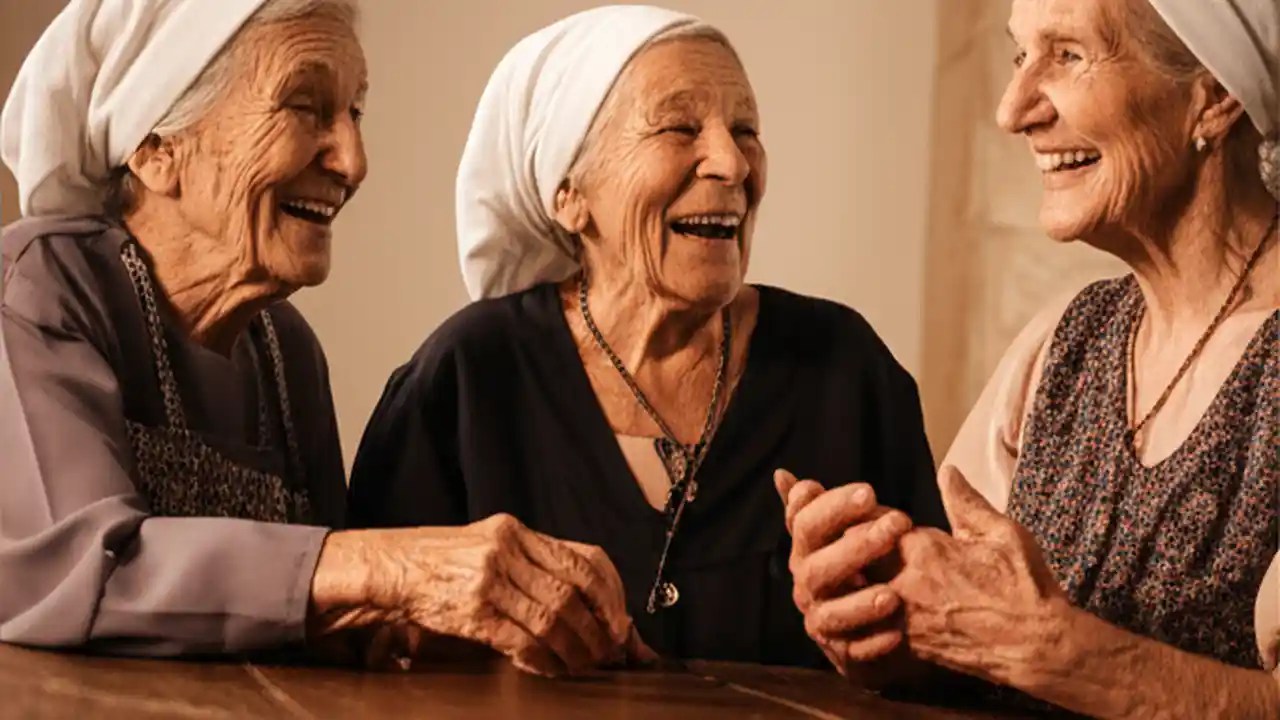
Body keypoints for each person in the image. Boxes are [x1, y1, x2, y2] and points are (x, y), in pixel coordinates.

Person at [0, 0, 638, 675]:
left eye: (354, 113)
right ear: (157, 149)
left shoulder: (284, 349)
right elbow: (66, 571)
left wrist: (477, 617)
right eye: (306, 107)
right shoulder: (39, 284)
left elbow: (317, 609)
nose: (352, 161)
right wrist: (400, 568)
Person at [347, 5, 947, 669]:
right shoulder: (467, 376)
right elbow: (366, 651)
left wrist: (883, 641)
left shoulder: (844, 368)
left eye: (745, 130)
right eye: (678, 127)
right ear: (570, 195)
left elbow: (940, 652)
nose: (731, 163)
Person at [780, 0, 1280, 716]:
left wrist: (1061, 655)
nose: (1013, 111)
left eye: (1069, 55)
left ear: (1214, 96)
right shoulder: (1064, 342)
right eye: (1021, 56)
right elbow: (971, 641)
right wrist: (891, 627)